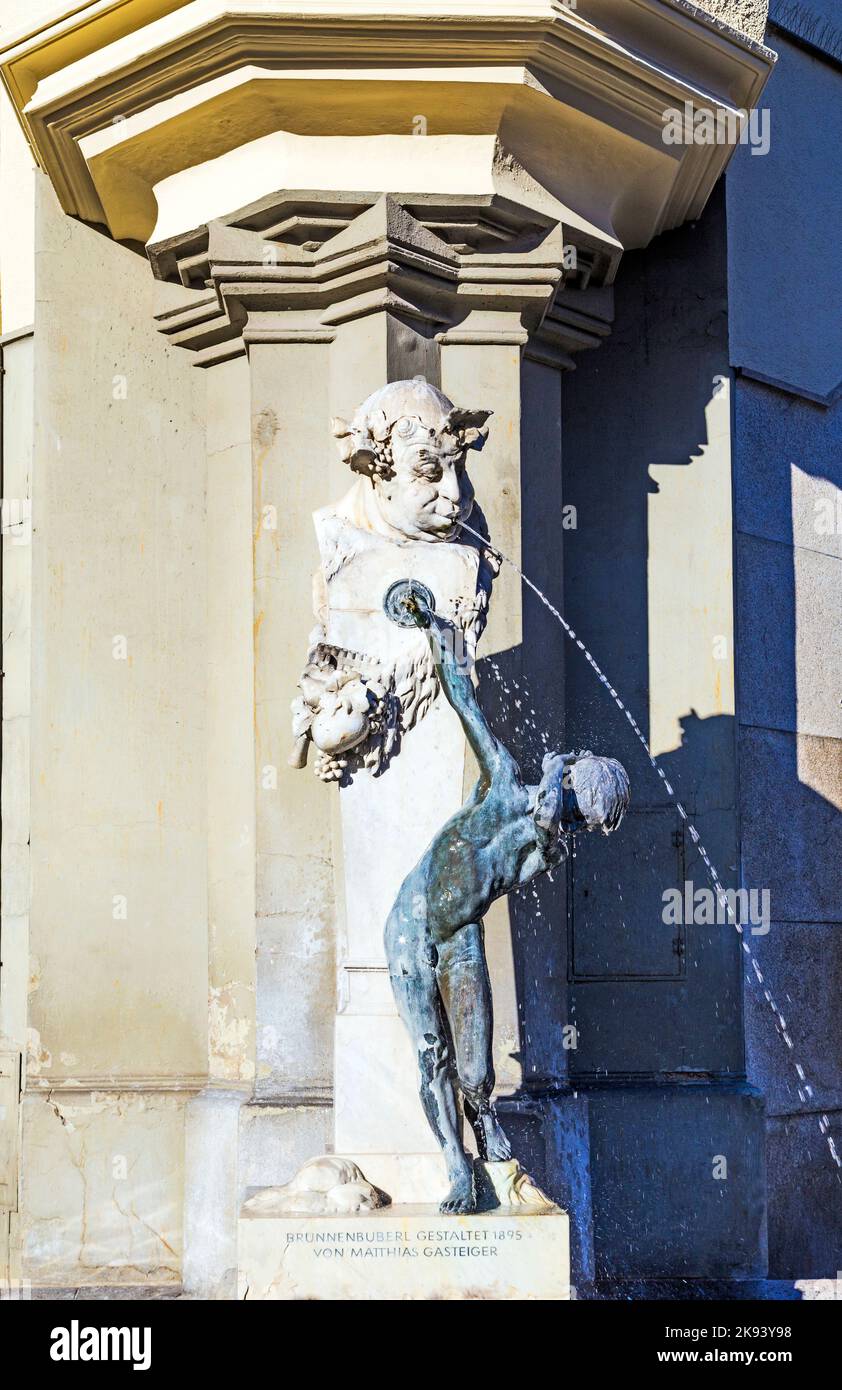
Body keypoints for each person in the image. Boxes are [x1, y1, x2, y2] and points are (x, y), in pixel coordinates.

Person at [384, 590, 630, 1213]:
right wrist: (434, 629)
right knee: (431, 1054)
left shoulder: (542, 846)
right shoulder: (501, 778)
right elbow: (462, 698)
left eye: (578, 821)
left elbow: (541, 826)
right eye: (578, 811)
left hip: (459, 937)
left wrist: (552, 803)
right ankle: (456, 1167)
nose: (571, 826)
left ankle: (485, 1122)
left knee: (476, 1067)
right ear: (570, 785)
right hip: (411, 929)